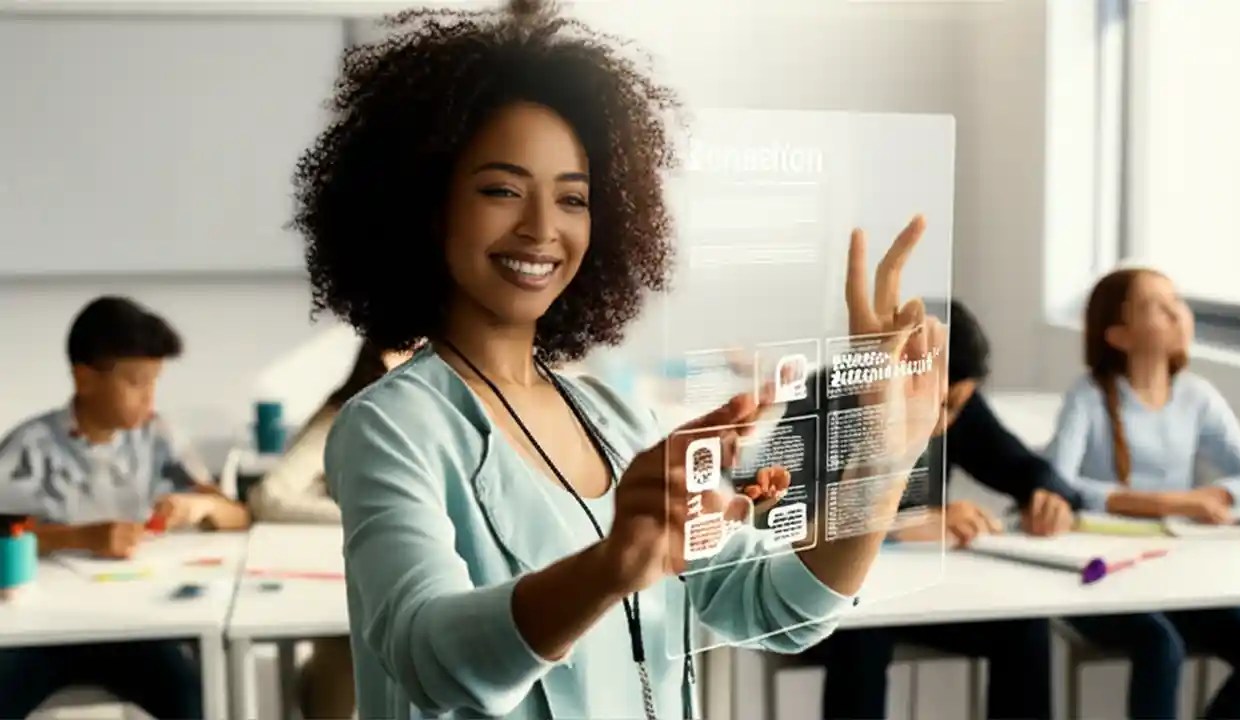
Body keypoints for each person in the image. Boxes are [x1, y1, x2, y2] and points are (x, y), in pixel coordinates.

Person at [290, 1, 949, 718]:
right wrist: (611, 567)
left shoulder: (612, 417)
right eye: (502, 190)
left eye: (572, 199)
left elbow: (777, 607)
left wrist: (883, 459)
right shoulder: (390, 426)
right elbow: (431, 659)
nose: (543, 229)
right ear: (426, 203)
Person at [812, 299, 1082, 720]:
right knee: (863, 629)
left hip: (916, 596)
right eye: (942, 404)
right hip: (831, 602)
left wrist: (1047, 495)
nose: (943, 422)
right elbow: (775, 517)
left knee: (1024, 625)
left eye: (957, 405)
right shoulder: (829, 397)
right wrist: (903, 523)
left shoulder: (956, 408)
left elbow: (1024, 468)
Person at [0, 295, 251, 718]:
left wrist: (199, 507)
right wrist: (80, 537)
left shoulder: (155, 437)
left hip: (138, 625)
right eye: (135, 383)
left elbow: (239, 515)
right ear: (85, 379)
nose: (148, 398)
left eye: (155, 382)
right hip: (42, 631)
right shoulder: (31, 447)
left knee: (195, 697)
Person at [1047, 267, 1240, 720]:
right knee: (1160, 644)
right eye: (1157, 305)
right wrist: (1170, 503)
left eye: (1177, 300)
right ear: (1118, 334)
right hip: (1102, 580)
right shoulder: (1089, 398)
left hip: (1176, 578)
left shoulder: (1197, 397)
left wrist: (1217, 495)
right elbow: (1058, 483)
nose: (1178, 313)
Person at [247, 339, 411, 719]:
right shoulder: (349, 412)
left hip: (409, 585)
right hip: (351, 592)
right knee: (347, 654)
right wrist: (367, 512)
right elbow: (269, 496)